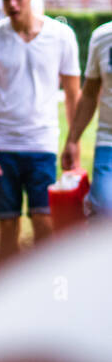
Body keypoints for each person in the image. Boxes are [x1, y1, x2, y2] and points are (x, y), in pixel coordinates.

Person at [0, 0, 81, 257]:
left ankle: (47, 294)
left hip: (42, 145)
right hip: (1, 147)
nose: (12, 3)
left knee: (44, 223)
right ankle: (11, 300)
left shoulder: (62, 37)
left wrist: (74, 141)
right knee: (7, 227)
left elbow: (73, 95)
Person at [62, 17, 112, 215]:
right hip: (108, 142)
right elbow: (90, 93)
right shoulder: (103, 37)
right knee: (104, 211)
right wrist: (72, 140)